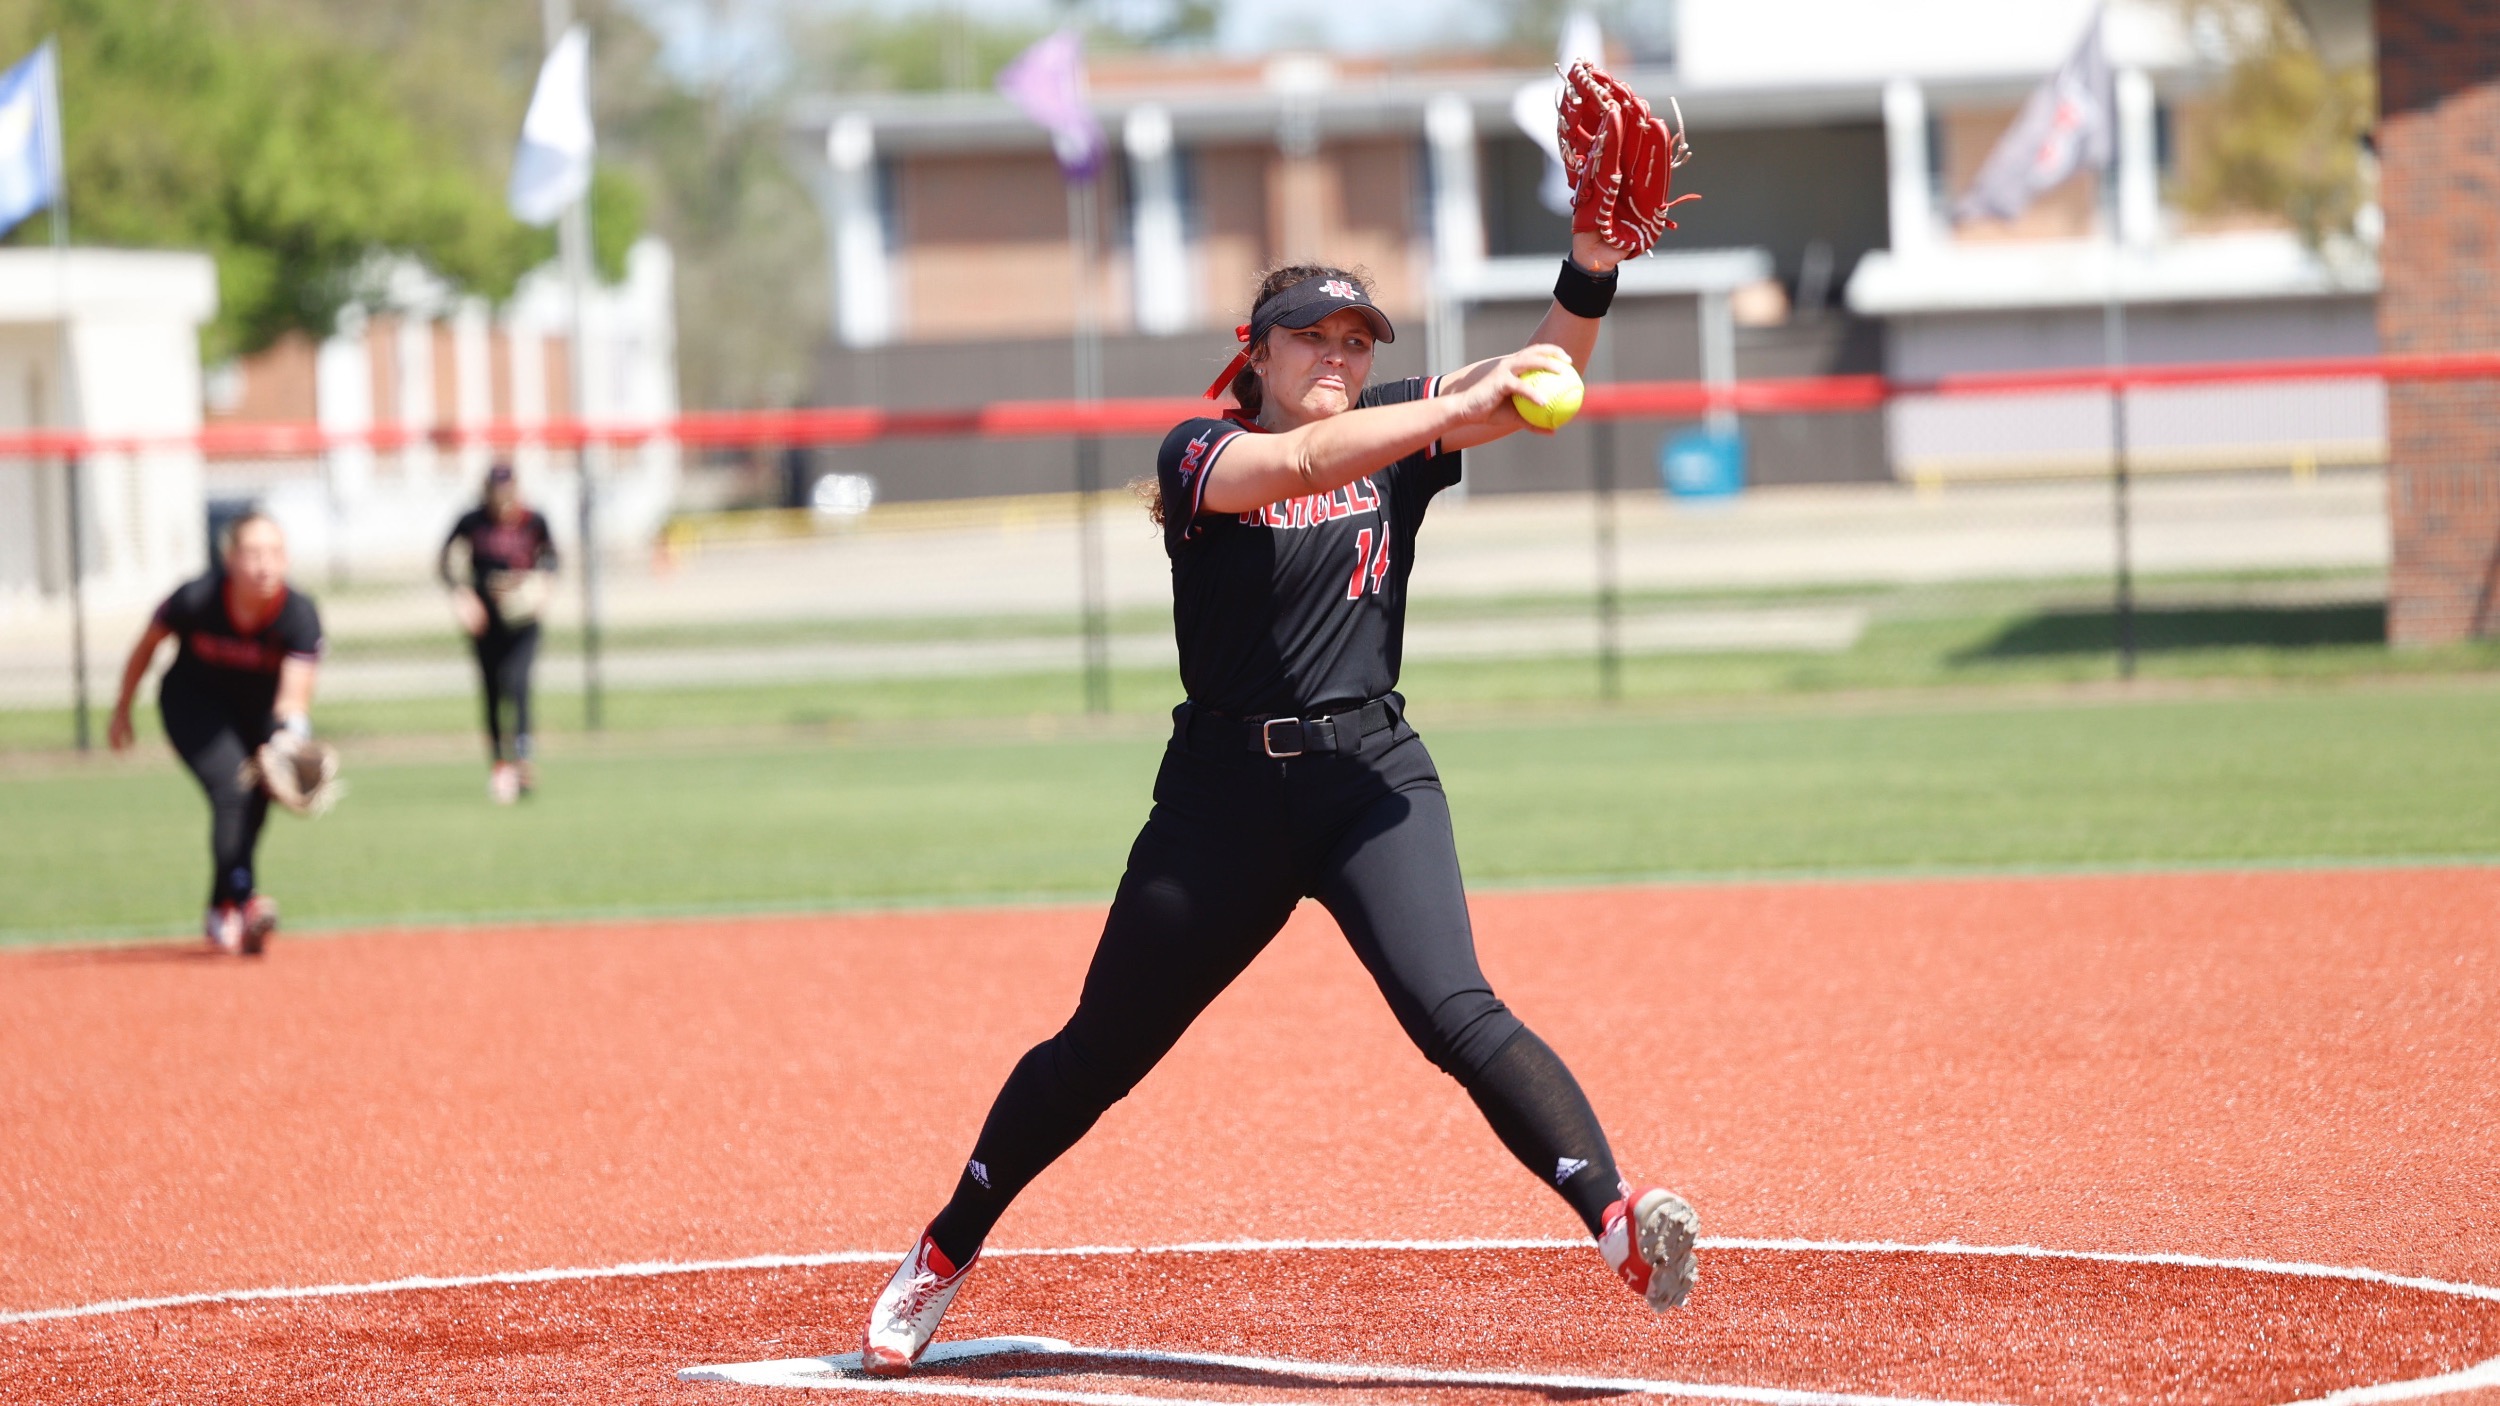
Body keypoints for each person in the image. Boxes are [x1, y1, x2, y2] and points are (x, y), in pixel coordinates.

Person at [858, 237, 1699, 1375]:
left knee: (1456, 1009)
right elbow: (1301, 462)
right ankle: (946, 1247)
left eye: (1356, 341)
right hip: (1222, 804)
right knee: (1097, 1054)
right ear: (1254, 355)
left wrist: (1589, 267)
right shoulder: (1200, 451)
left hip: (1369, 781)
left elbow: (1544, 369)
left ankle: (1617, 1219)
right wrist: (1458, 405)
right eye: (1312, 338)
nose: (1338, 356)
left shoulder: (1392, 426)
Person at [108, 509, 325, 956]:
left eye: (275, 553)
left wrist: (289, 740)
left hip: (260, 711)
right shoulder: (197, 598)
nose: (265, 565)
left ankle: (221, 904)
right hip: (194, 705)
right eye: (253, 553)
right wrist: (123, 708)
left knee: (258, 800)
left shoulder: (299, 615)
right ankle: (245, 901)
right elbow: (147, 646)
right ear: (230, 559)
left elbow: (293, 698)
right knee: (232, 789)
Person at [440, 463, 558, 803]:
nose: (502, 497)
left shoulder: (533, 520)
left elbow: (551, 558)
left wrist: (542, 586)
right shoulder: (473, 521)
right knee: (492, 689)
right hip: (486, 619)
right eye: (497, 489)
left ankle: (522, 759)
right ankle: (499, 765)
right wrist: (462, 596)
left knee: (518, 684)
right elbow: (445, 560)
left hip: (522, 620)